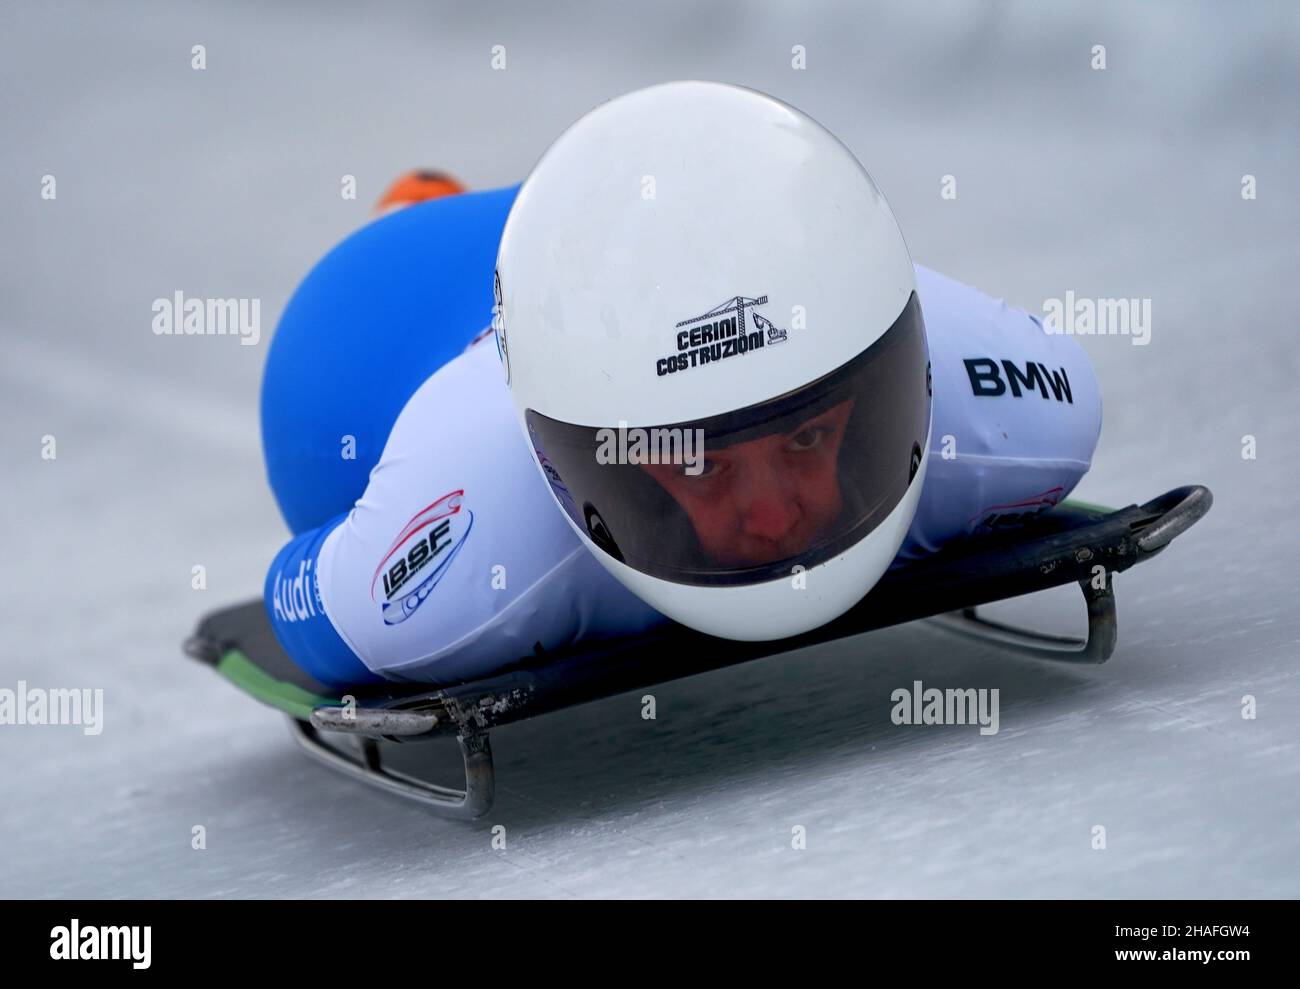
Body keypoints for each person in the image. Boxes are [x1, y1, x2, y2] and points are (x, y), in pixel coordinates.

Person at [261, 86, 1101, 685]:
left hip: (635, 231)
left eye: (808, 435)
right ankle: (419, 211)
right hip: (374, 322)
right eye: (700, 461)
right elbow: (305, 595)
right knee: (316, 454)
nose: (776, 520)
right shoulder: (465, 559)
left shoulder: (1018, 413)